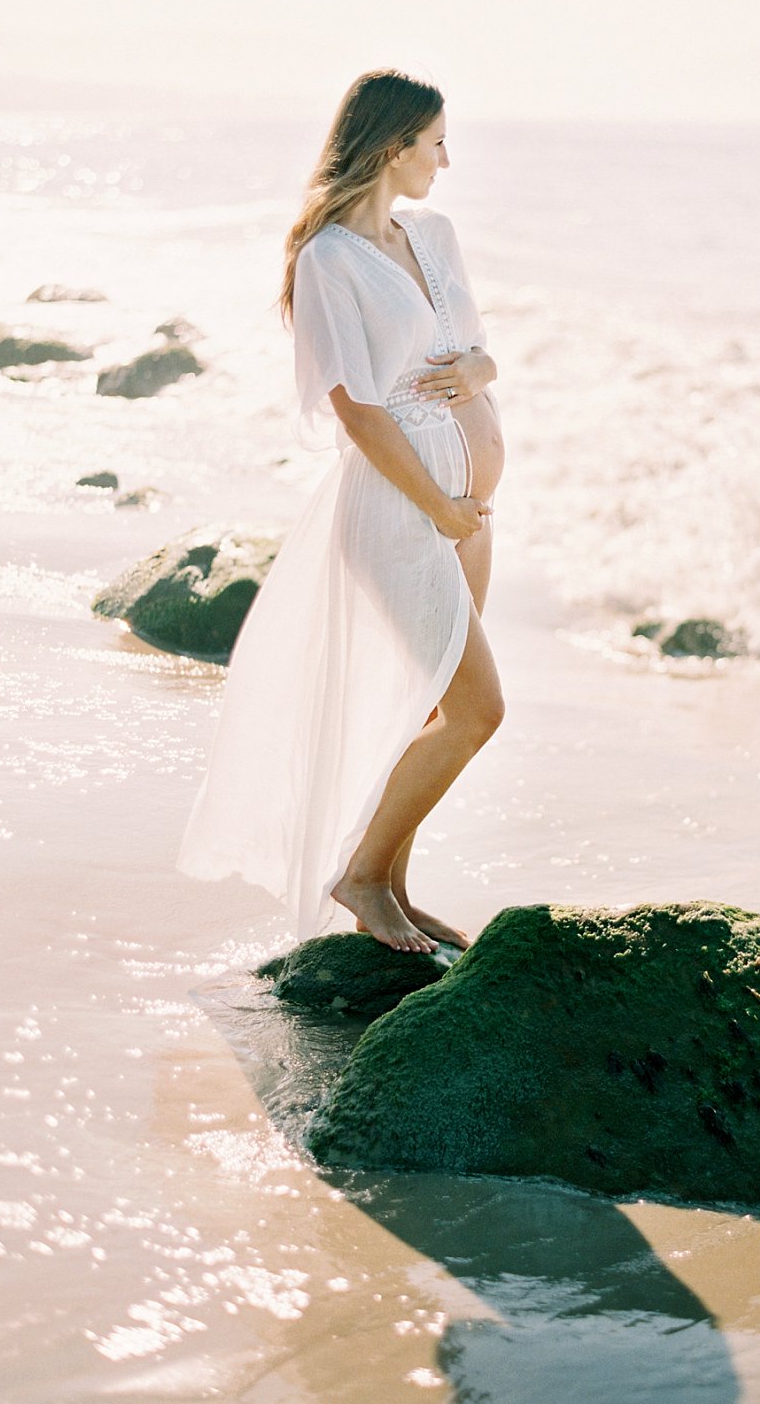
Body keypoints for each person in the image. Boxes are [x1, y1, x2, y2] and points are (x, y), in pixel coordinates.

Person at [176, 69, 505, 955]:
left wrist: (478, 378)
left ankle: (391, 881)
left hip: (462, 506)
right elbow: (357, 409)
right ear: (393, 145)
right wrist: (438, 503)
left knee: (432, 707)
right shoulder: (327, 259)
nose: (447, 157)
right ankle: (360, 874)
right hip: (404, 507)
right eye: (436, 140)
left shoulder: (433, 235)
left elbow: (475, 353)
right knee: (481, 709)